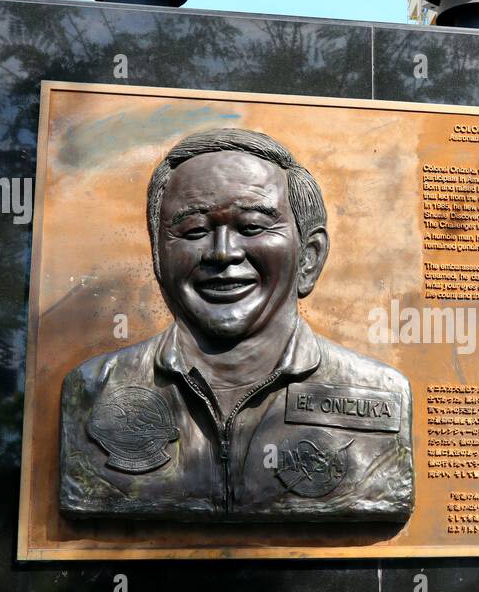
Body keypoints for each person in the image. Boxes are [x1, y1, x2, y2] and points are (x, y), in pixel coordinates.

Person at [59, 128, 414, 523]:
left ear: (309, 257)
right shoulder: (94, 389)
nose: (223, 253)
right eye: (194, 231)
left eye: (252, 227)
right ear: (158, 258)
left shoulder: (378, 394)